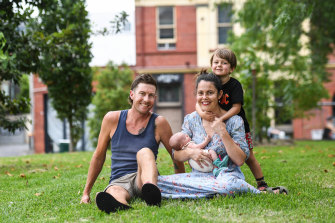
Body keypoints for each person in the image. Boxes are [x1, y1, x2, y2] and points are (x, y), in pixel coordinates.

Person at [157, 72, 288, 198]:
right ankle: (210, 193)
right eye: (200, 93)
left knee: (230, 185)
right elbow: (176, 154)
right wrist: (191, 153)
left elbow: (240, 160)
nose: (205, 97)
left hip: (226, 177)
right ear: (196, 95)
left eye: (210, 93)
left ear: (219, 94)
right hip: (197, 178)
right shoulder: (191, 120)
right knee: (157, 181)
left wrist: (223, 133)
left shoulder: (235, 121)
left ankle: (251, 192)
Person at [80, 74, 185, 213]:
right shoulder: (112, 119)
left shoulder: (159, 123)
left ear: (155, 98)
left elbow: (175, 155)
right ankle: (120, 204)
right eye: (142, 94)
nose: (146, 99)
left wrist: (182, 187)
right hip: (120, 180)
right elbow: (99, 156)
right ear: (132, 95)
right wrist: (86, 192)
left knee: (145, 152)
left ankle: (151, 194)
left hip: (145, 178)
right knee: (114, 191)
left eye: (151, 95)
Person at [196, 48, 269, 191]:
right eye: (216, 62)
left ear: (232, 68)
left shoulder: (235, 85)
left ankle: (261, 183)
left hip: (236, 124)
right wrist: (203, 114)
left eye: (224, 63)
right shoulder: (209, 82)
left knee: (248, 156)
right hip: (216, 124)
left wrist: (221, 119)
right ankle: (219, 176)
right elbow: (197, 102)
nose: (219, 65)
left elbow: (236, 107)